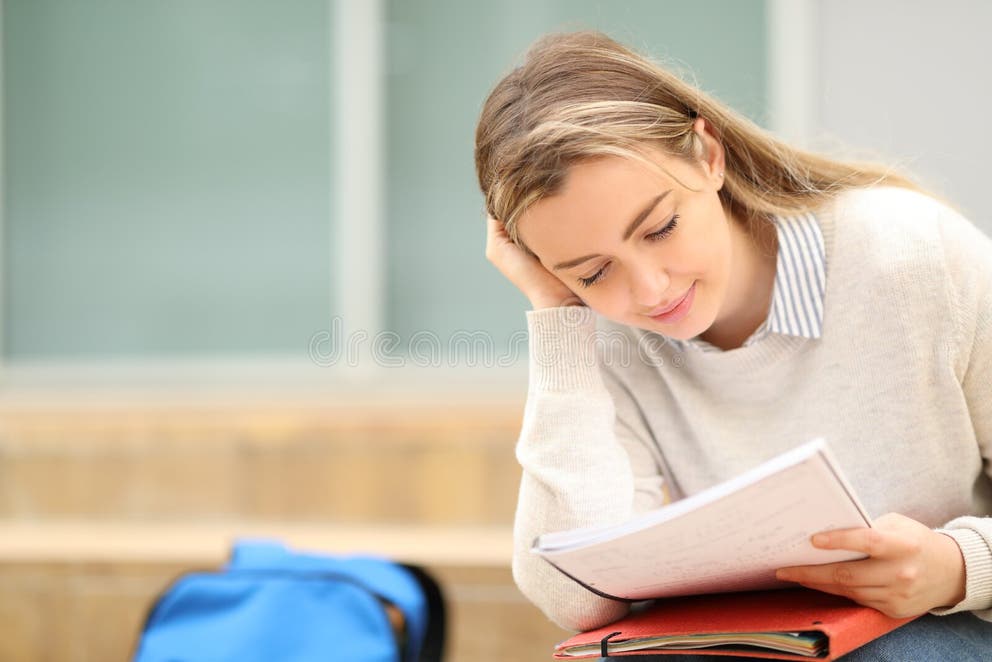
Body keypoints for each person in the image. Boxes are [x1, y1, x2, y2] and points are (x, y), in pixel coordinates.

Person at [474, 31, 992, 659]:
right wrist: (559, 319)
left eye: (661, 228)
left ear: (707, 155)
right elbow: (575, 602)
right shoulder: (599, 335)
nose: (650, 289)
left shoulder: (912, 257)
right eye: (592, 272)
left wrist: (960, 566)